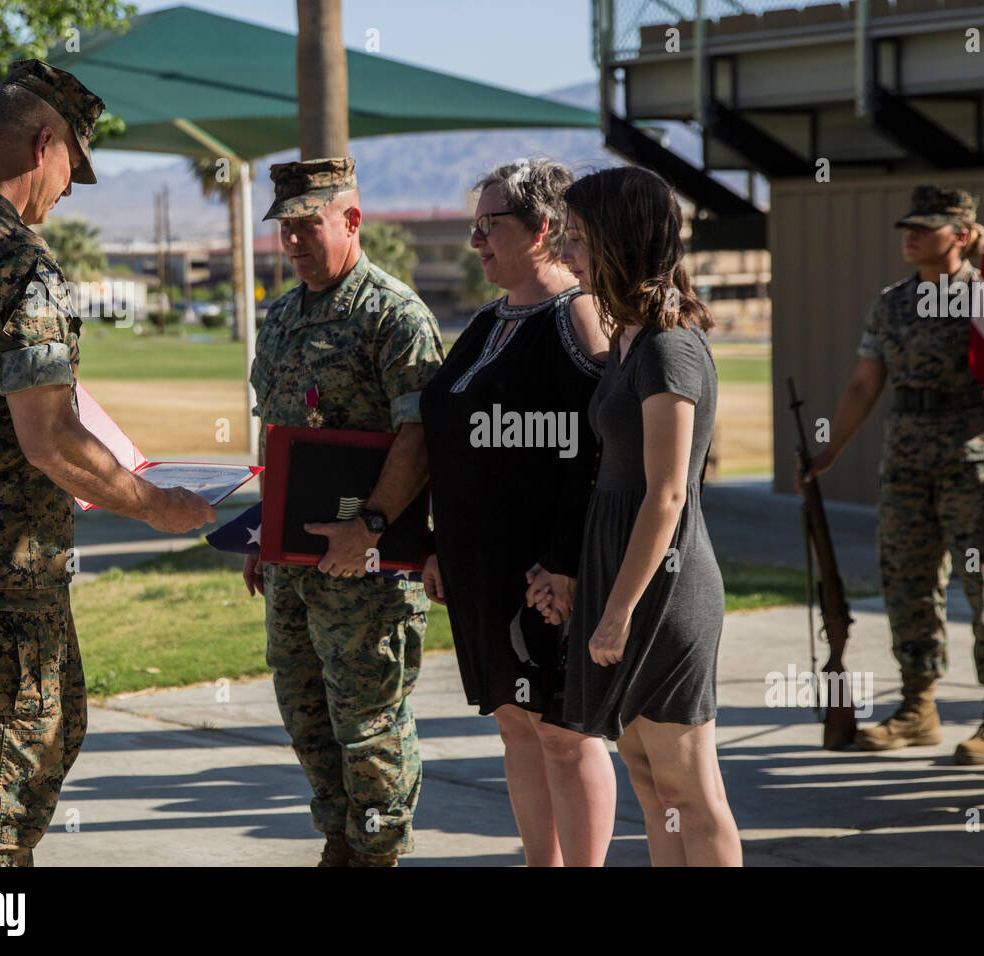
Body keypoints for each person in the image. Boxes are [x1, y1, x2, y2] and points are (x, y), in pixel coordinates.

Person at [0, 59, 215, 866]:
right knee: (8, 776)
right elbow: (51, 438)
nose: (70, 189)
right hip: (6, 554)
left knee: (42, 735)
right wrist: (154, 505)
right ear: (43, 143)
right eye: (74, 166)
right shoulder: (16, 260)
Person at [245, 157, 445, 865]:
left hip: (366, 570)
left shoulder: (394, 316)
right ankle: (341, 842)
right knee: (306, 718)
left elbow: (420, 439)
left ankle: (378, 851)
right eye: (286, 229)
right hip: (294, 566)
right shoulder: (281, 316)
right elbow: (280, 435)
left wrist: (369, 526)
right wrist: (259, 532)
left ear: (352, 220)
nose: (294, 242)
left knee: (368, 725)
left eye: (309, 226)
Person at [419, 158, 614, 866]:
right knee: (514, 724)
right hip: (481, 569)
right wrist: (437, 542)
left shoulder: (577, 316)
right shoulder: (488, 321)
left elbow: (599, 448)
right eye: (473, 226)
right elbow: (448, 441)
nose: (475, 241)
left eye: (489, 225)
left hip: (544, 575)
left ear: (542, 229)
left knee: (565, 734)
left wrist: (566, 561)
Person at [800, 187, 984, 763]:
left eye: (926, 227)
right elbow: (862, 384)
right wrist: (827, 450)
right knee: (906, 584)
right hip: (904, 463)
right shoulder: (892, 302)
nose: (911, 235)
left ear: (964, 234)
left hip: (972, 461)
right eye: (908, 226)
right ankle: (918, 707)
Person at [556, 165, 742, 867]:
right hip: (624, 575)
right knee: (647, 779)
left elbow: (666, 494)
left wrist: (618, 610)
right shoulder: (629, 340)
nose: (569, 253)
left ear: (620, 241)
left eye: (579, 237)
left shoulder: (668, 347)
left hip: (663, 587)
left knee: (690, 788)